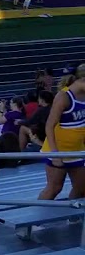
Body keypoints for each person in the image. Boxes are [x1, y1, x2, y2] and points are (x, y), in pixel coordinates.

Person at [39, 66, 85, 201]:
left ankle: (73, 212)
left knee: (81, 189)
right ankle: (38, 214)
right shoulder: (63, 97)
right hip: (58, 149)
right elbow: (49, 126)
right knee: (54, 188)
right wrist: (55, 154)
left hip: (77, 150)